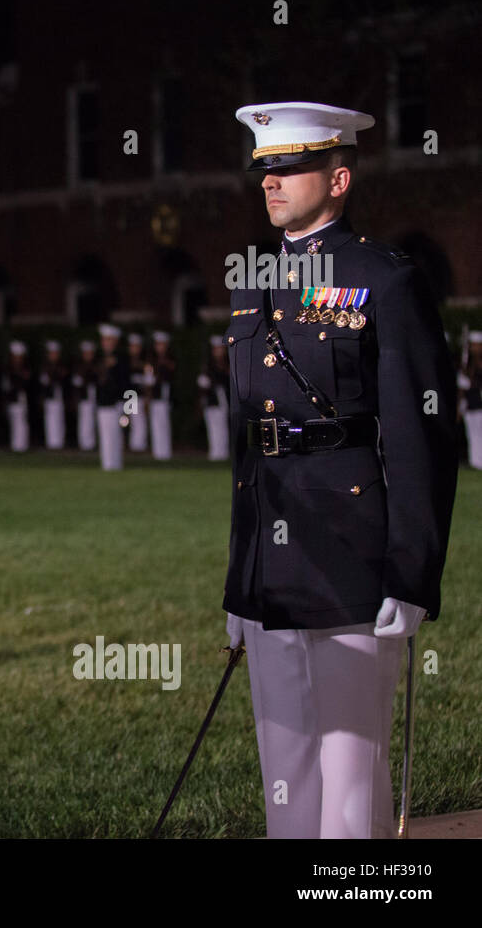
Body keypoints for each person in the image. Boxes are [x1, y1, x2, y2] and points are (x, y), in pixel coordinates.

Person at [224, 101, 458, 838]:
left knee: (351, 769)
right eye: (266, 169)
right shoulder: (251, 282)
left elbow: (423, 435)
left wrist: (413, 571)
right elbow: (249, 445)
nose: (272, 181)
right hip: (272, 557)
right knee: (284, 767)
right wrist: (240, 575)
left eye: (290, 167)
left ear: (339, 177)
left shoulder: (383, 278)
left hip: (354, 546)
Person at [95, 324, 130, 471]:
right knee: (106, 436)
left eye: (109, 339)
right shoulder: (100, 358)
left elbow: (128, 385)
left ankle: (115, 465)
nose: (105, 342)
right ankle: (108, 465)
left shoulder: (122, 359)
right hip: (104, 403)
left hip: (118, 403)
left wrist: (130, 408)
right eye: (104, 339)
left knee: (116, 436)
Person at [198, 336, 230, 461]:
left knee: (221, 427)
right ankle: (215, 453)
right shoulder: (208, 365)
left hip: (221, 400)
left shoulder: (226, 364)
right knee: (212, 427)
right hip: (210, 400)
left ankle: (222, 453)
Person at [1, 340, 33, 452]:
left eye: (19, 356)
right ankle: (15, 445)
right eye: (14, 356)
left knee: (21, 421)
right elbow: (6, 385)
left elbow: (26, 384)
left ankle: (21, 446)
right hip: (11, 399)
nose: (16, 358)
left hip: (21, 399)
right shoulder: (8, 369)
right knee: (13, 421)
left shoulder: (25, 368)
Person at [148, 331, 175, 460]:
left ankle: (165, 453)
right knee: (156, 425)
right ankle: (158, 453)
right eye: (157, 344)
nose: (159, 347)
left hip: (165, 396)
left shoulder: (169, 359)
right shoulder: (152, 360)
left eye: (162, 344)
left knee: (164, 424)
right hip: (155, 396)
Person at [459, 331, 482, 469]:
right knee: (473, 436)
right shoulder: (467, 364)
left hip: (480, 405)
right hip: (471, 405)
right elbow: (463, 386)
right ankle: (476, 463)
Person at [40, 340, 68, 449]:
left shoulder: (62, 365)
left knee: (60, 420)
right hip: (49, 398)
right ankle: (52, 443)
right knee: (50, 420)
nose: (53, 355)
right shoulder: (45, 366)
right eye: (51, 353)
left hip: (60, 397)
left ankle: (60, 443)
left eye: (55, 353)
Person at [73, 339, 99, 451]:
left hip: (97, 396)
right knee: (85, 420)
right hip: (84, 397)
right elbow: (76, 383)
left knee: (98, 419)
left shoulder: (97, 365)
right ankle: (85, 444)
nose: (88, 355)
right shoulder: (79, 366)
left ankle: (95, 443)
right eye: (86, 353)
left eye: (90, 353)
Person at [126, 333, 150, 452]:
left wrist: (147, 398)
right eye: (132, 346)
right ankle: (131, 445)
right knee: (127, 421)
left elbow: (148, 382)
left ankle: (138, 446)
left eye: (137, 346)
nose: (134, 349)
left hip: (138, 396)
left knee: (139, 421)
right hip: (128, 395)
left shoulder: (144, 363)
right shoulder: (126, 362)